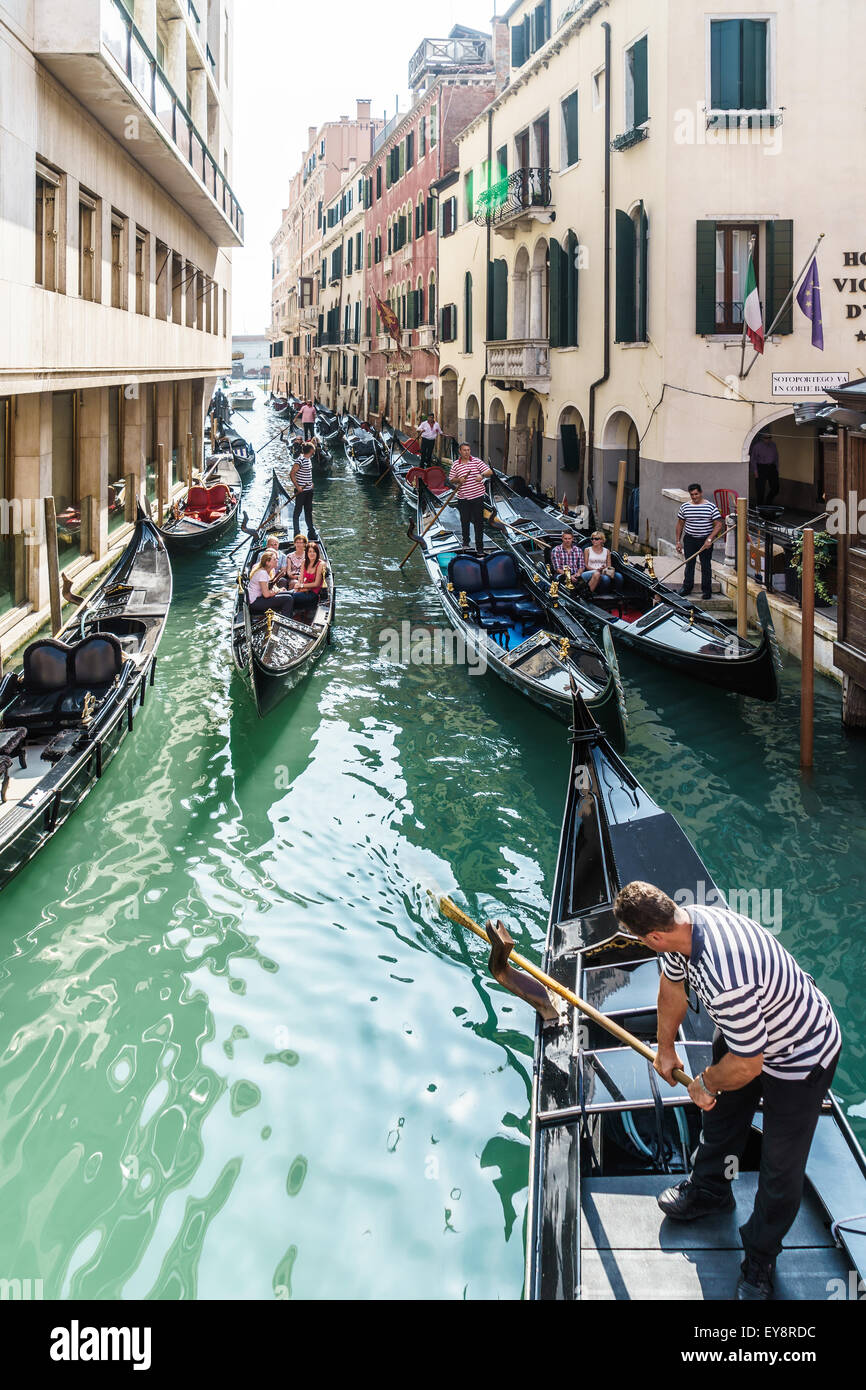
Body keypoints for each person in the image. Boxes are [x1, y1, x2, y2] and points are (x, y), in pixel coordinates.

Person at [613, 881, 842, 1301]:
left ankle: (760, 1259)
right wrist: (665, 1050)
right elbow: (672, 987)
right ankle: (710, 1191)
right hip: (750, 1036)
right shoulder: (682, 927)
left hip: (800, 1055)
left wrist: (704, 1083)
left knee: (780, 1166)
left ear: (655, 936)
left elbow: (747, 1066)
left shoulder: (725, 979)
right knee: (720, 1116)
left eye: (642, 942)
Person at [675, 483, 724, 601]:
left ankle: (707, 591)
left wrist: (709, 539)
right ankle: (687, 588)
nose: (694, 497)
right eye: (692, 495)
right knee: (689, 564)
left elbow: (719, 525)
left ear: (701, 493)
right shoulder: (685, 507)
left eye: (696, 494)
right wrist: (677, 541)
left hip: (705, 539)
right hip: (690, 539)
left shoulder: (711, 507)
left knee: (706, 565)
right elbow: (680, 524)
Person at [449, 443, 492, 556]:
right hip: (463, 498)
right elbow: (451, 479)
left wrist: (481, 476)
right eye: (464, 450)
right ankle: (466, 543)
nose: (467, 452)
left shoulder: (476, 461)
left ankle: (480, 547)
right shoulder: (455, 465)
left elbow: (490, 472)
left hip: (477, 497)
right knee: (465, 521)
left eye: (468, 450)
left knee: (479, 523)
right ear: (460, 451)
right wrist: (459, 480)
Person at [247, 550, 297, 617]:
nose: (277, 560)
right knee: (288, 599)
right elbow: (266, 594)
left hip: (259, 598)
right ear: (268, 562)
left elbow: (269, 588)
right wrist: (277, 591)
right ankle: (285, 623)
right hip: (255, 602)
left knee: (290, 594)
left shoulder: (267, 571)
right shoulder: (262, 573)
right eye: (274, 559)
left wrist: (278, 591)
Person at [292, 542, 326, 621]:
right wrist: (297, 588)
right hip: (304, 590)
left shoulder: (321, 564)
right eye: (309, 551)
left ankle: (291, 617)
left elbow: (316, 583)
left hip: (314, 593)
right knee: (287, 595)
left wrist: (301, 586)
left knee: (291, 598)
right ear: (306, 553)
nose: (312, 553)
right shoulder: (304, 562)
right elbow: (300, 579)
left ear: (317, 553)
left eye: (314, 551)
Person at [290, 443, 317, 541]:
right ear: (311, 450)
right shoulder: (300, 460)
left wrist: (311, 483)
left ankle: (311, 532)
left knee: (308, 511)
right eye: (313, 449)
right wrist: (297, 487)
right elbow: (292, 474)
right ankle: (296, 534)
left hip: (309, 490)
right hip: (301, 491)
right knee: (297, 512)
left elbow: (307, 473)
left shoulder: (308, 459)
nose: (314, 451)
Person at [750, 430, 780, 507]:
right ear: (762, 438)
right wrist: (755, 471)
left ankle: (768, 502)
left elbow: (776, 457)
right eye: (766, 438)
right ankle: (760, 506)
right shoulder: (757, 446)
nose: (768, 439)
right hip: (761, 467)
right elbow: (753, 459)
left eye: (769, 437)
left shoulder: (773, 445)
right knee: (760, 489)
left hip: (771, 467)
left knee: (775, 487)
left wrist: (776, 468)